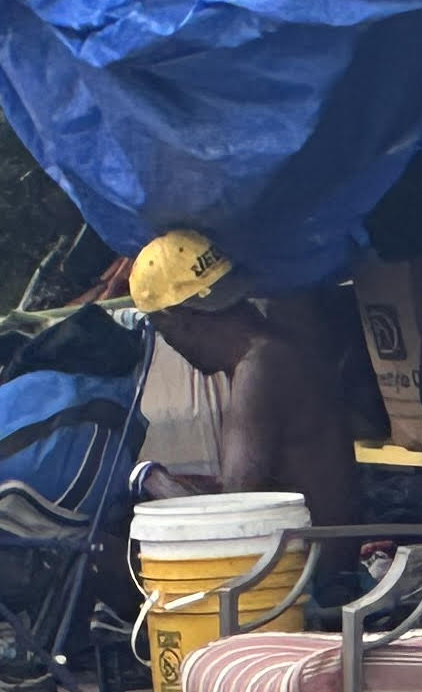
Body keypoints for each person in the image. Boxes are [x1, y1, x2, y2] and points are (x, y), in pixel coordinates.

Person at [125, 228, 360, 533]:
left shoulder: (260, 369)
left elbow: (232, 512)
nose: (176, 347)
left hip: (308, 571)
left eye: (168, 336)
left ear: (180, 321)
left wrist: (150, 479)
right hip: (319, 556)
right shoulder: (280, 346)